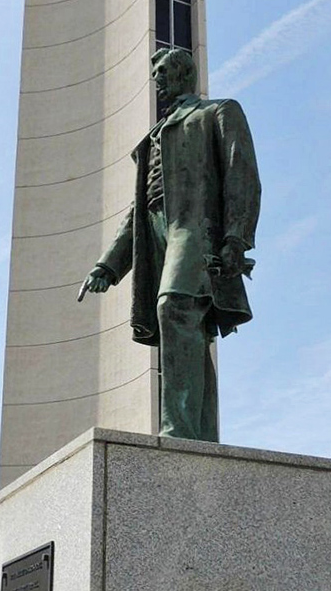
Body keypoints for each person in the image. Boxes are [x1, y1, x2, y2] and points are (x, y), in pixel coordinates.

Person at [79, 47, 261, 441]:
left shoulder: (216, 112)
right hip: (157, 233)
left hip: (195, 229)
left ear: (181, 74)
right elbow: (138, 210)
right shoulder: (154, 137)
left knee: (174, 306)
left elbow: (240, 175)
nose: (156, 80)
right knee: (187, 330)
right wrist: (107, 266)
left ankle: (177, 430)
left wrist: (236, 238)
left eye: (161, 72)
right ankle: (201, 434)